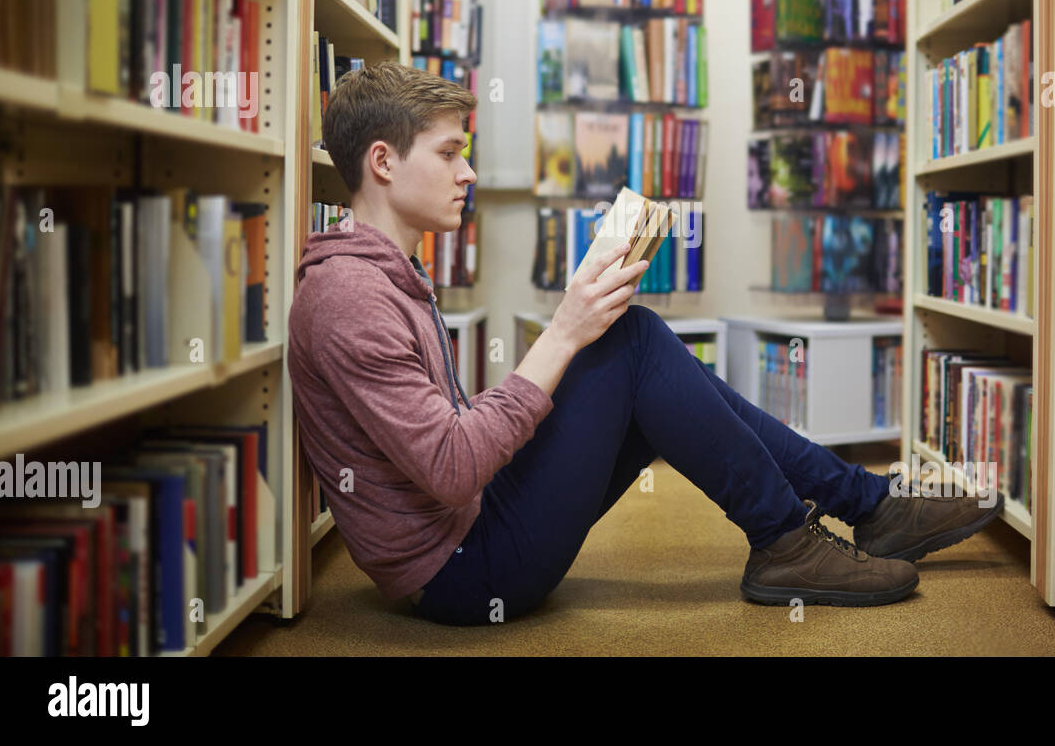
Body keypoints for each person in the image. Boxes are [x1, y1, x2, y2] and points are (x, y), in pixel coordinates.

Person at [287, 63, 1004, 627]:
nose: (468, 172)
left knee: (632, 339)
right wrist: (565, 331)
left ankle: (856, 511)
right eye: (449, 153)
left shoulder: (387, 271)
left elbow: (443, 449)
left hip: (471, 518)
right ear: (382, 161)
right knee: (627, 341)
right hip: (466, 573)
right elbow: (449, 467)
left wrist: (575, 337)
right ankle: (811, 530)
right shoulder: (351, 296)